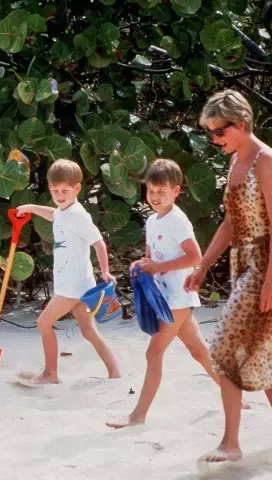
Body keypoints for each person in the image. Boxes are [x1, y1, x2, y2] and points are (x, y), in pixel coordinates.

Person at [185, 89, 272, 462]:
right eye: (210, 133)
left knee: (222, 351)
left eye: (218, 131)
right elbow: (230, 222)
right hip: (243, 265)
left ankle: (231, 443)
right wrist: (203, 265)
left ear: (240, 124)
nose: (214, 139)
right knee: (269, 353)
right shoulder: (236, 160)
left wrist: (271, 278)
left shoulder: (266, 160)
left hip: (266, 265)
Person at [106, 158, 247, 429]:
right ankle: (235, 396)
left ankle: (138, 416)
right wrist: (141, 264)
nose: (155, 197)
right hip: (164, 296)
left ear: (176, 192)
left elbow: (195, 256)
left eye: (162, 192)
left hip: (178, 296)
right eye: (151, 191)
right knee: (199, 351)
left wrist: (159, 266)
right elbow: (151, 256)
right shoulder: (152, 220)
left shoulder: (178, 220)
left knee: (153, 353)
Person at [17, 159, 121, 384]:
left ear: (77, 189)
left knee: (44, 323)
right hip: (76, 283)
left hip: (73, 286)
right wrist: (32, 208)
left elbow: (99, 243)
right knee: (88, 330)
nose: (59, 195)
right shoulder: (65, 211)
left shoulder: (79, 216)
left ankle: (50, 374)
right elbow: (55, 215)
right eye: (55, 190)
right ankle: (115, 371)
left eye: (65, 190)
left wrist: (105, 271)